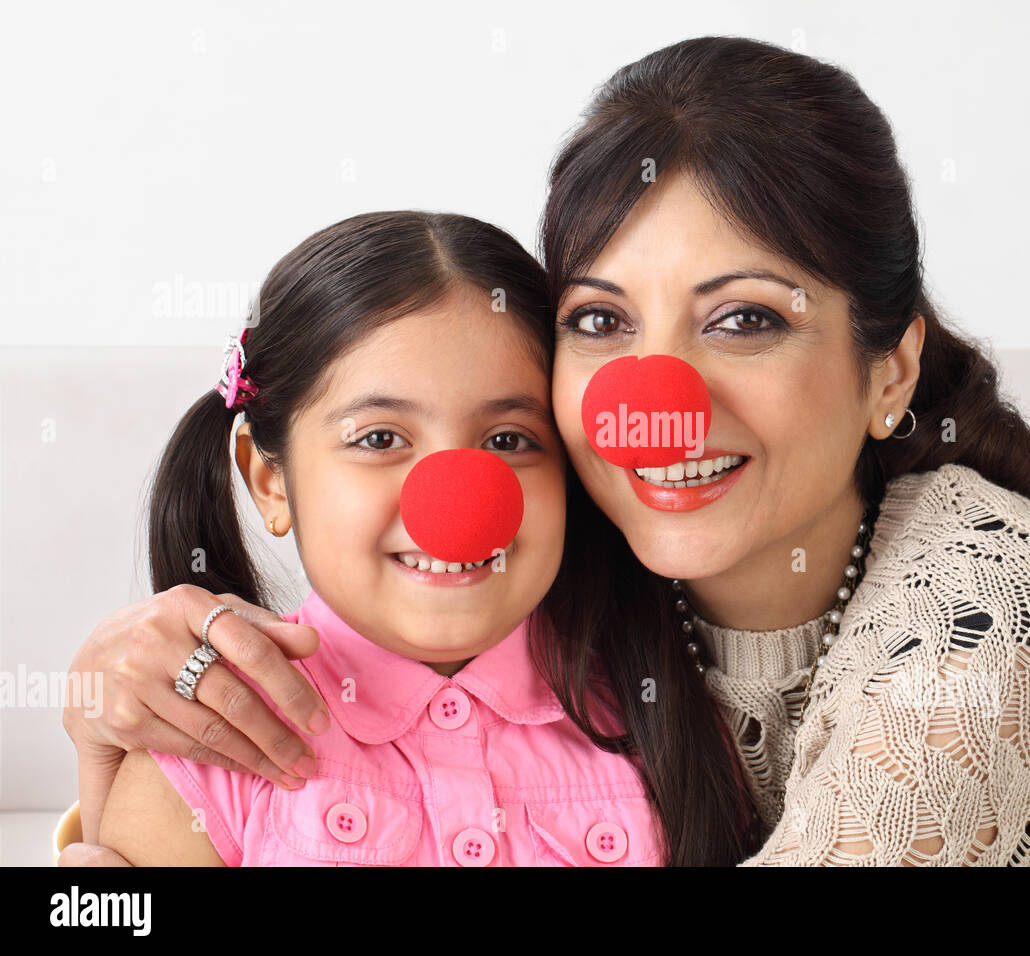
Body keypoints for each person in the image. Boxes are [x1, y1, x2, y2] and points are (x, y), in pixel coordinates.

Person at [63, 37, 1030, 867]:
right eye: (601, 322)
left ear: (890, 367)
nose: (656, 403)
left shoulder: (985, 600)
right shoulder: (591, 577)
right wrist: (108, 730)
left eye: (745, 319)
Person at [92, 210, 669, 865]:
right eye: (379, 439)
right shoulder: (206, 749)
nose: (457, 504)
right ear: (270, 481)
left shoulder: (663, 723)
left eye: (508, 441)